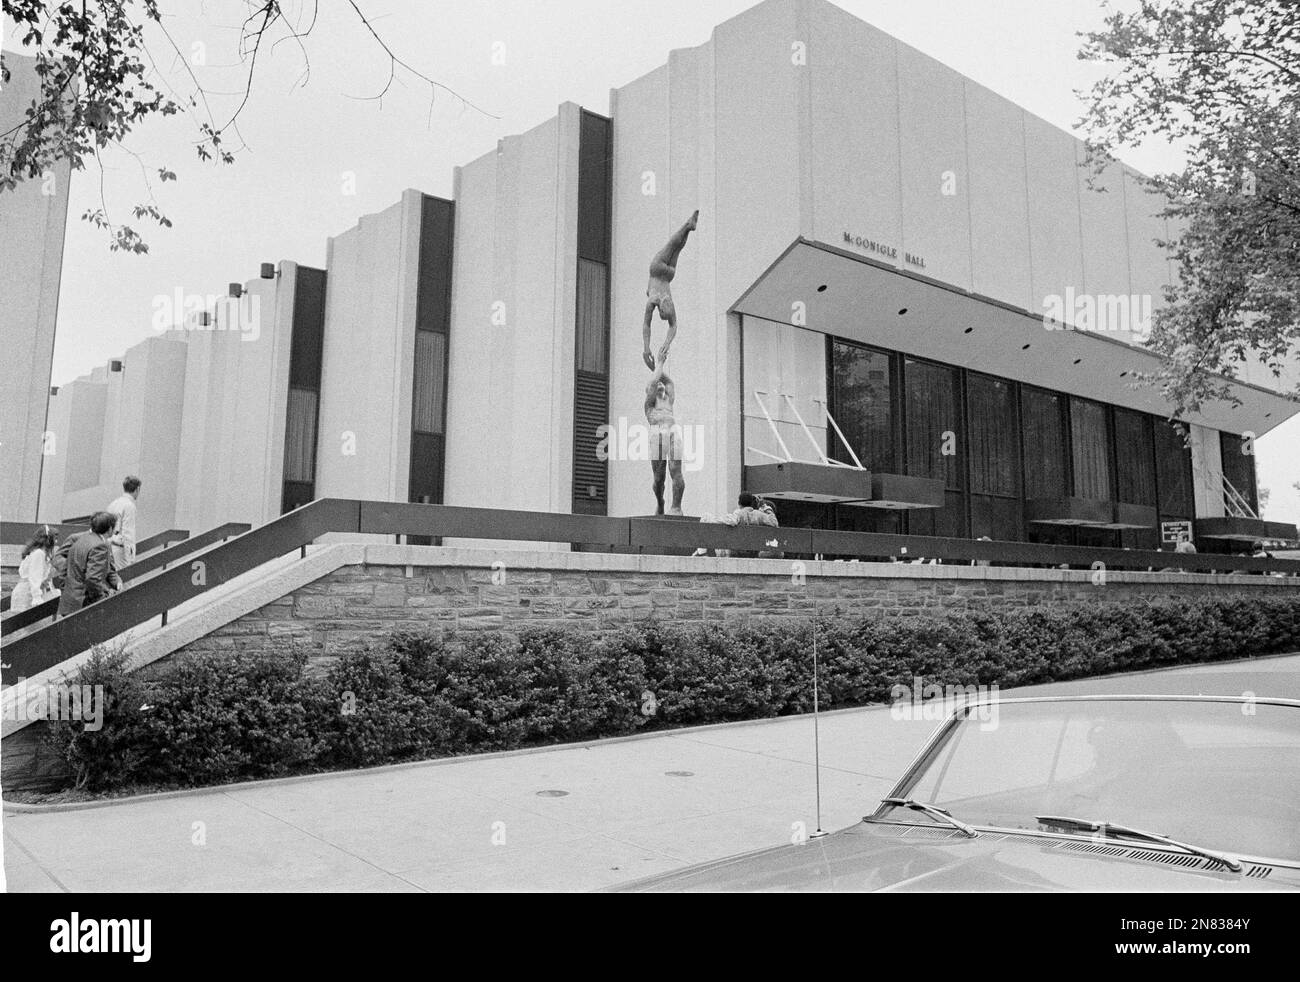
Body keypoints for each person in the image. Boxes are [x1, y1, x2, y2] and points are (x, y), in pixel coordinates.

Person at [642, 210, 699, 371]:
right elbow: (668, 326)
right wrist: (656, 346)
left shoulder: (654, 299)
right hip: (659, 271)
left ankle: (688, 228)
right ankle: (687, 226)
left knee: (675, 248)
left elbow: (649, 325)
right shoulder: (653, 300)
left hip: (666, 273)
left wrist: (649, 347)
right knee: (674, 246)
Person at [56, 511, 122, 618]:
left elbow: (109, 569)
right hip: (83, 602)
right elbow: (92, 579)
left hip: (70, 602)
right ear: (109, 529)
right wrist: (102, 597)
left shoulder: (82, 540)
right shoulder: (99, 545)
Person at [645, 344, 685, 515]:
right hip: (658, 433)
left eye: (663, 388)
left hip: (672, 432)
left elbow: (667, 381)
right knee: (659, 477)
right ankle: (660, 501)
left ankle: (676, 506)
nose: (662, 388)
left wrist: (656, 366)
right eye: (658, 389)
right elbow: (654, 383)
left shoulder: (669, 402)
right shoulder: (649, 406)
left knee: (676, 470)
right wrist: (660, 362)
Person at [9, 526, 58, 612]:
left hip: (29, 593)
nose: (56, 542)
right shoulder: (38, 554)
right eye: (55, 538)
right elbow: (35, 577)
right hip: (27, 595)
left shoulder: (40, 553)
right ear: (48, 539)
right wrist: (37, 597)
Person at [107, 475, 141, 570]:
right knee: (126, 582)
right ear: (137, 489)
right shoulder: (129, 506)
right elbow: (127, 533)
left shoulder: (112, 504)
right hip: (120, 550)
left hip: (109, 547)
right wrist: (130, 558)